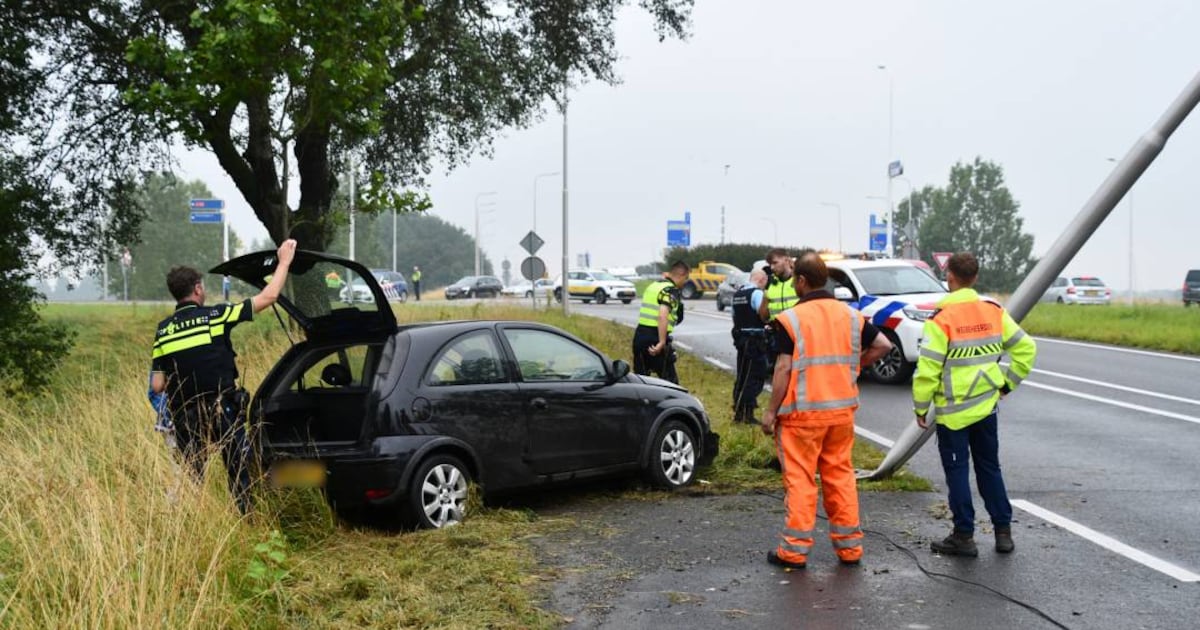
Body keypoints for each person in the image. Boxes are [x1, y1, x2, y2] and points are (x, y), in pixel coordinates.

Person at [761, 250, 893, 569]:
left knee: (801, 481)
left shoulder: (790, 319)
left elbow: (783, 369)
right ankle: (850, 549)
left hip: (801, 417)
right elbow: (884, 346)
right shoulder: (850, 315)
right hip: (841, 413)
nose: (793, 284)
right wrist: (853, 366)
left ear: (802, 281)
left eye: (795, 279)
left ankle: (793, 551)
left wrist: (769, 412)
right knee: (840, 477)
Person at [150, 239, 298, 512]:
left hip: (185, 416)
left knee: (192, 478)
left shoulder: (163, 330)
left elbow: (157, 385)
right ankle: (246, 518)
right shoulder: (215, 316)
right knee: (239, 470)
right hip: (222, 410)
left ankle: (193, 524)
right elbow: (268, 297)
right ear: (197, 289)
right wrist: (285, 262)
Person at [913, 252, 1037, 557]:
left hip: (954, 413)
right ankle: (1003, 532)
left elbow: (927, 370)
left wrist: (920, 407)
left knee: (957, 473)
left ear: (950, 277)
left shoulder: (940, 319)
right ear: (976, 278)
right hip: (986, 406)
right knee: (989, 468)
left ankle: (964, 536)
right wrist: (1008, 383)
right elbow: (1026, 348)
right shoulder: (993, 310)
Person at [633, 260, 690, 383]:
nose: (685, 282)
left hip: (640, 336)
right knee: (671, 384)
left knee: (641, 383)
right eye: (685, 279)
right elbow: (663, 315)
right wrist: (662, 342)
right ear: (681, 275)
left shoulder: (653, 286)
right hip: (655, 338)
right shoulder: (671, 290)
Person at [731, 268, 769, 424]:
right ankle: (747, 413)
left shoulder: (737, 295)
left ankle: (739, 411)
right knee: (755, 376)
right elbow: (763, 315)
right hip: (755, 340)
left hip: (741, 339)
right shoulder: (757, 293)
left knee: (742, 375)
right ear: (761, 280)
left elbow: (734, 317)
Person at [757, 248, 799, 323]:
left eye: (775, 263)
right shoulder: (770, 283)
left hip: (796, 331)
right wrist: (765, 295)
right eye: (770, 264)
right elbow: (763, 317)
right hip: (778, 331)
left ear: (787, 260)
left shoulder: (799, 281)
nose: (772, 267)